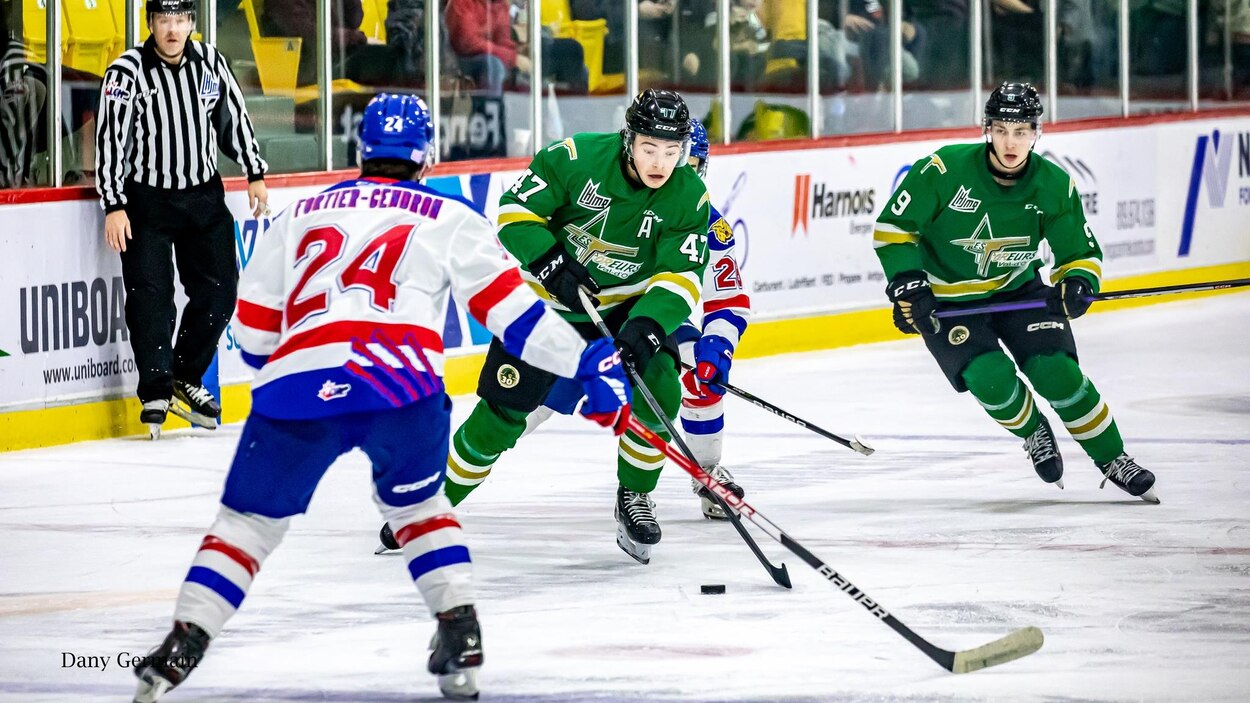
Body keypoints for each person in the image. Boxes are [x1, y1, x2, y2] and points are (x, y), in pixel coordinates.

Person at [129, 93, 631, 703]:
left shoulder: (301, 213)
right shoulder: (449, 216)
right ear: (427, 157)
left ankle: (183, 644)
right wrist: (585, 362)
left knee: (248, 526)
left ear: (361, 149)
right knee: (419, 511)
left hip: (298, 385)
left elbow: (255, 329)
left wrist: (296, 376)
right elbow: (515, 316)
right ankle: (460, 633)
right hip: (403, 385)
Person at [439, 89, 711, 565]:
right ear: (629, 139)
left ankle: (635, 496)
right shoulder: (575, 157)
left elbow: (681, 275)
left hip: (624, 309)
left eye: (672, 151)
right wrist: (548, 262)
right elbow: (513, 212)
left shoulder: (689, 195)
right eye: (650, 148)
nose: (660, 162)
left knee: (661, 391)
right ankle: (431, 507)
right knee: (501, 416)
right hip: (548, 309)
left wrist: (645, 328)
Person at [872, 82, 1159, 504]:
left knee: (1058, 374)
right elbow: (894, 230)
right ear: (987, 129)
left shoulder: (1053, 185)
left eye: (1022, 130)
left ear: (1036, 133)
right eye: (1003, 129)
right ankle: (1033, 431)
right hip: (949, 302)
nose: (1011, 141)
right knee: (990, 380)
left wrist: (1078, 282)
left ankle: (1113, 457)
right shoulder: (942, 170)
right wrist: (910, 285)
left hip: (1016, 290)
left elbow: (1078, 251)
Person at [95, 0, 270, 436]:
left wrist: (254, 171)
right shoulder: (126, 72)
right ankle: (156, 387)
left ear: (191, 22)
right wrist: (114, 204)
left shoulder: (210, 61)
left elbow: (233, 119)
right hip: (146, 201)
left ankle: (185, 377)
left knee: (220, 292)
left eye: (179, 20)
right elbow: (110, 140)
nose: (172, 30)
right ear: (150, 24)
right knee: (150, 295)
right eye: (163, 21)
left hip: (203, 198)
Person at [675, 117, 753, 520]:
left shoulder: (709, 224)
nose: (686, 175)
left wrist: (718, 342)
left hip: (658, 319)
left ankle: (706, 475)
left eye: (694, 165)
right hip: (594, 313)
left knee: (701, 375)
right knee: (535, 399)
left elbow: (727, 298)